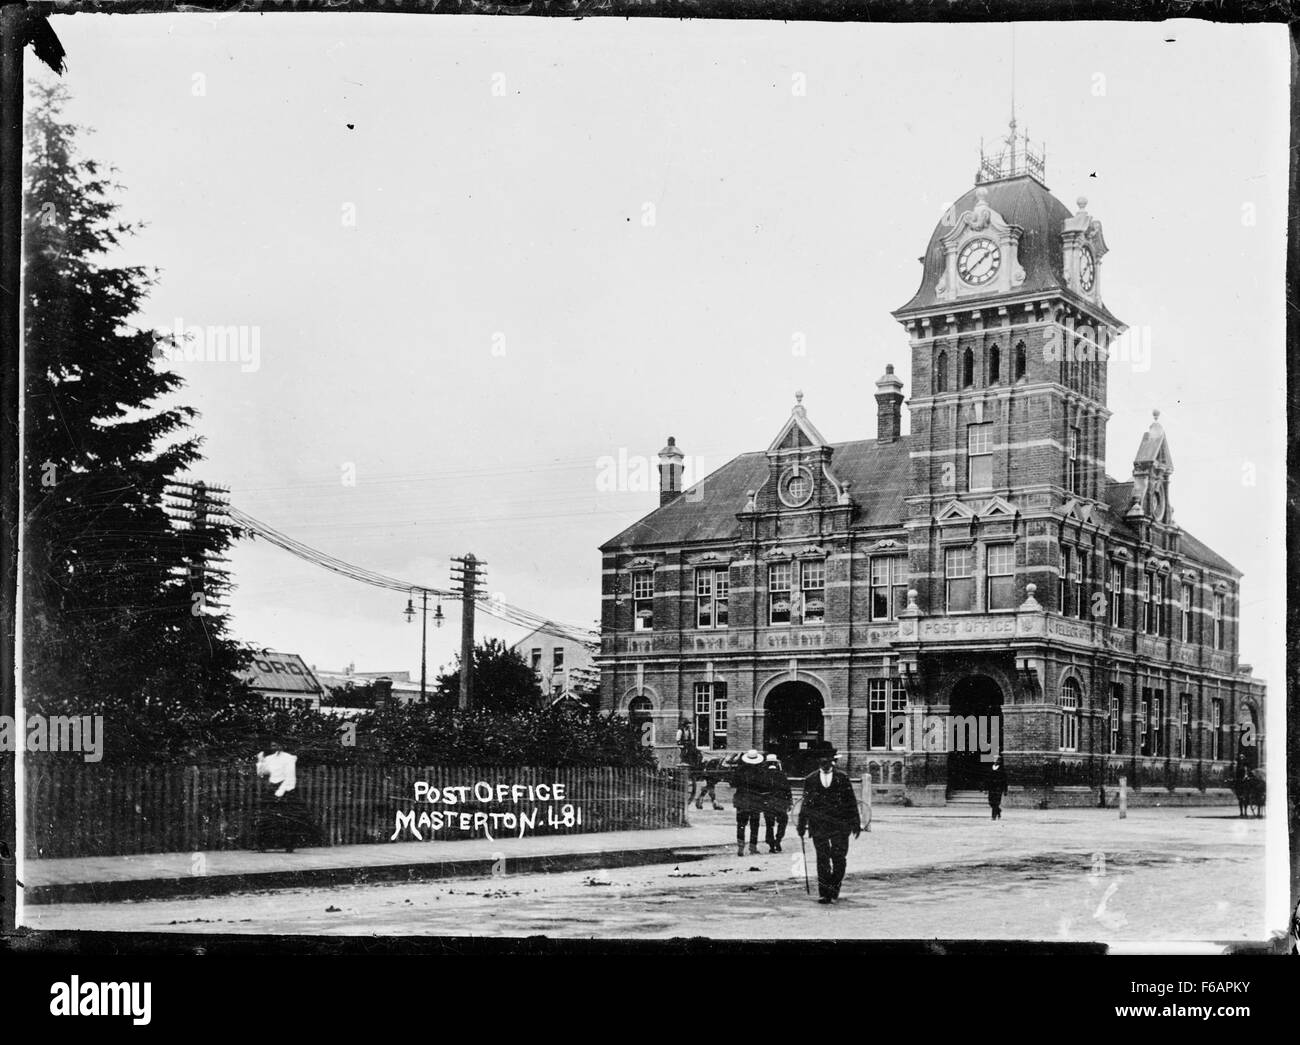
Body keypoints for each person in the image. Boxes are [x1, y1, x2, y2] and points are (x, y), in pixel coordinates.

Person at [796, 749, 860, 904]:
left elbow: (851, 801)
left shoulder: (842, 778)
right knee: (822, 859)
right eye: (821, 762)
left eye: (827, 762)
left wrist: (855, 823)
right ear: (818, 763)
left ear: (833, 762)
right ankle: (824, 893)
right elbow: (806, 804)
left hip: (840, 825)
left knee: (839, 858)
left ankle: (834, 887)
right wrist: (801, 824)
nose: (824, 765)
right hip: (819, 825)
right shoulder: (810, 779)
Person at [253, 739, 314, 852]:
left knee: (287, 819)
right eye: (272, 745)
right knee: (267, 818)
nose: (273, 747)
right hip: (272, 788)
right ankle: (262, 845)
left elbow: (290, 776)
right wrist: (260, 761)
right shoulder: (270, 758)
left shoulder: (289, 758)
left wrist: (280, 792)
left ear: (282, 745)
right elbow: (262, 773)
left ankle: (289, 846)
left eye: (276, 744)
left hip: (285, 789)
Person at [731, 749, 766, 856]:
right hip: (755, 801)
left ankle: (740, 847)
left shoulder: (740, 770)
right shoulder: (761, 772)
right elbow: (764, 786)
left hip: (742, 800)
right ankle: (753, 847)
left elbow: (733, 783)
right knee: (754, 825)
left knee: (741, 824)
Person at [759, 753, 792, 853]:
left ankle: (771, 844)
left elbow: (759, 790)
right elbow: (787, 789)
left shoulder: (763, 775)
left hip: (768, 803)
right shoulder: (782, 775)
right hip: (780, 803)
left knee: (769, 824)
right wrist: (789, 801)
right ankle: (778, 839)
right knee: (783, 822)